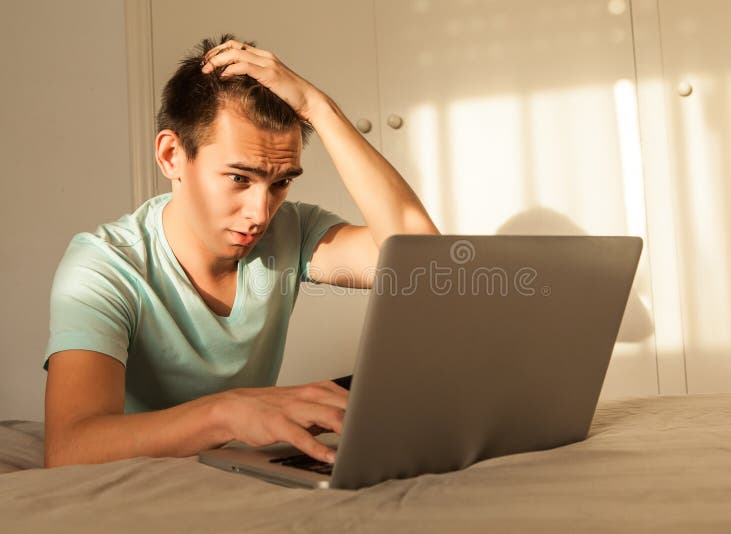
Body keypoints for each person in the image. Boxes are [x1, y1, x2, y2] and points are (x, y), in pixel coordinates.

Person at [43, 34, 439, 468]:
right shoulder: (104, 266)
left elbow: (422, 261)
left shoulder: (294, 230)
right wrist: (227, 412)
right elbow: (70, 448)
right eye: (238, 178)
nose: (260, 213)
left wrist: (318, 107)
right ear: (172, 155)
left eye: (281, 182)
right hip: (141, 475)